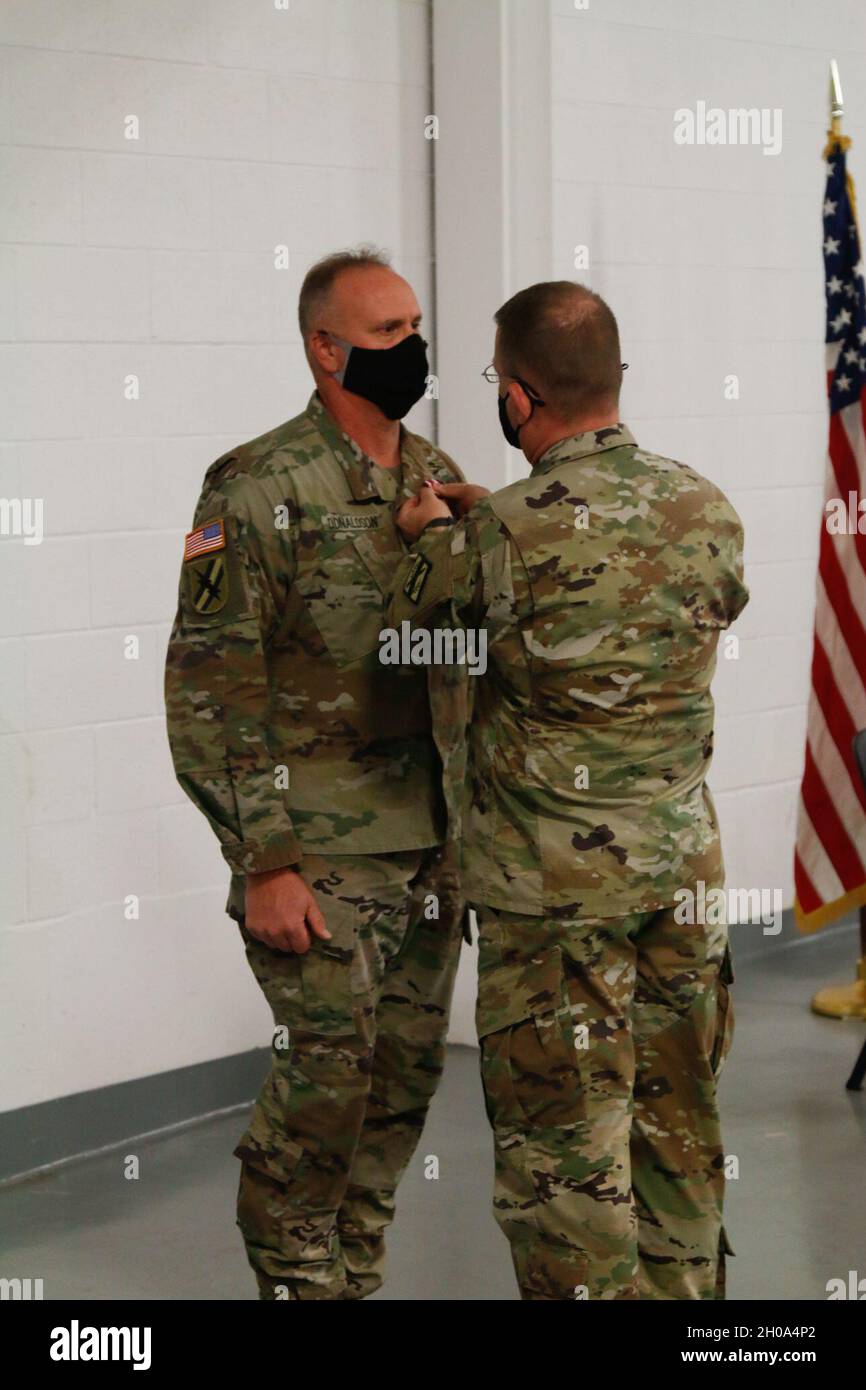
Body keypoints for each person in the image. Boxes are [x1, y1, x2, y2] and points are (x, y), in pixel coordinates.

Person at [387, 280, 749, 1300]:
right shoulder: (704, 506)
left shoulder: (497, 534)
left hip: (555, 898)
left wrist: (427, 529)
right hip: (681, 873)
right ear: (614, 378)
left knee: (564, 1158)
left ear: (515, 396)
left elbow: (417, 618)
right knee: (676, 1125)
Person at [164, 248, 467, 1300]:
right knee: (323, 1099)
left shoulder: (433, 474)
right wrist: (264, 861)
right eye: (387, 334)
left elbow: (447, 658)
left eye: (415, 326)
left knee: (394, 1099)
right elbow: (211, 688)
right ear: (323, 348)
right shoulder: (255, 485)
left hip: (430, 853)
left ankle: (351, 1284)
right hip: (321, 857)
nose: (412, 348)